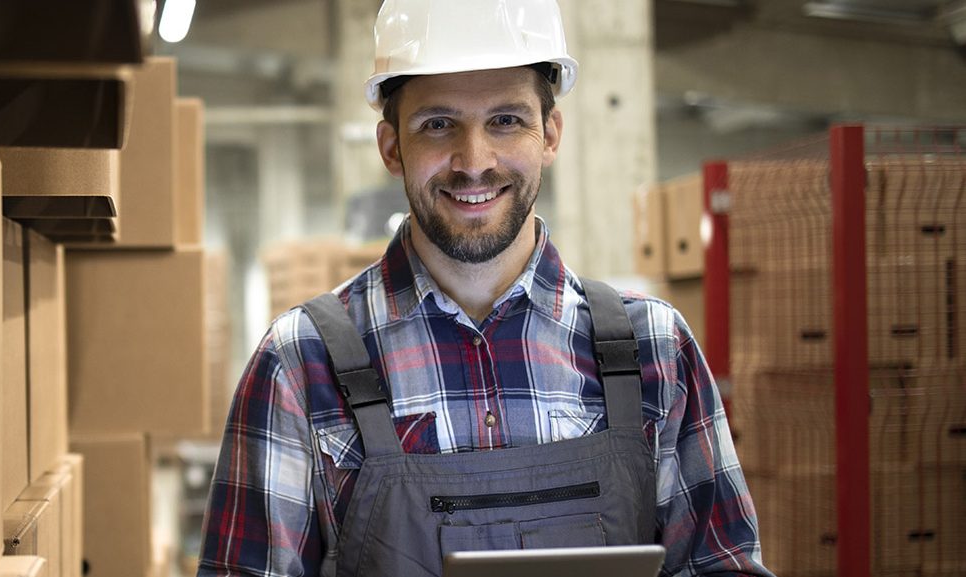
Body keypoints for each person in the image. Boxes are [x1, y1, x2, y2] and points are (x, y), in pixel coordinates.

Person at [197, 1, 772, 576]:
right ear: (392, 147)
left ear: (550, 134)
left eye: (506, 120)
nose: (474, 162)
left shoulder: (655, 349)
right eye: (438, 124)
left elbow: (722, 565)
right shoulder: (300, 362)